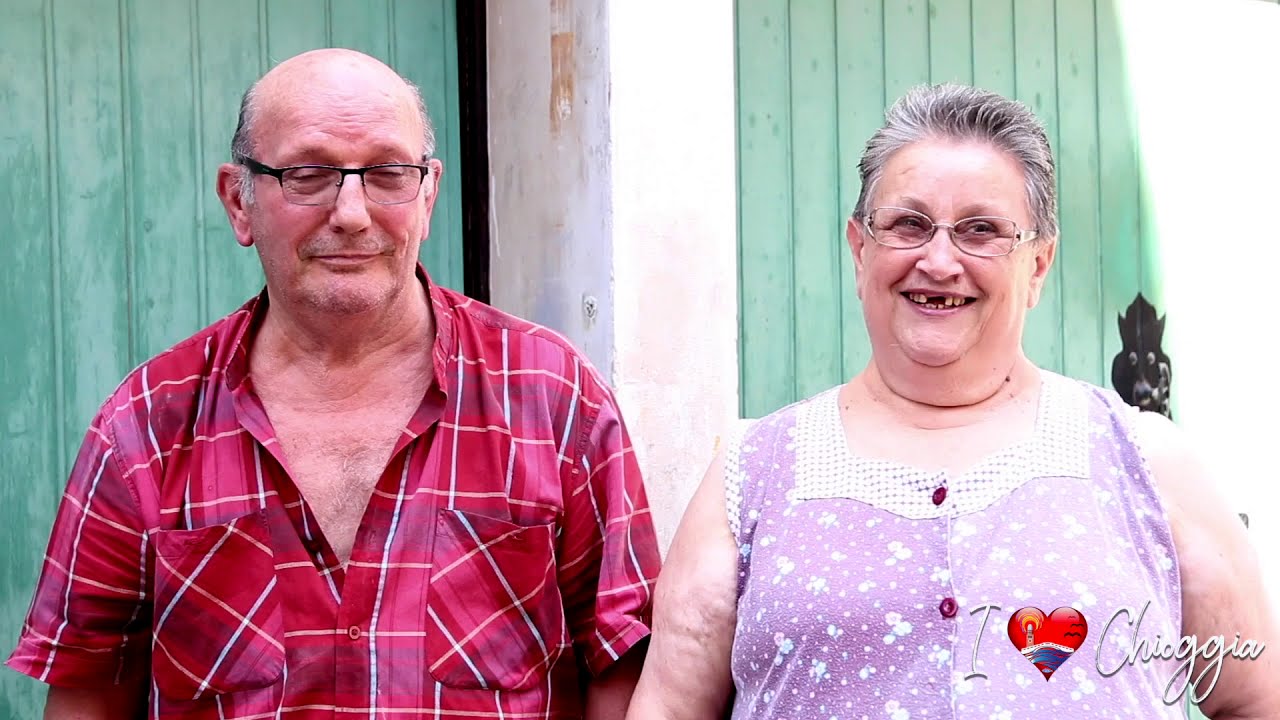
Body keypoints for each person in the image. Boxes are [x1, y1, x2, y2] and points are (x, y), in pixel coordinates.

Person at [7, 48, 660, 719]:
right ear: (239, 200)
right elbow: (90, 691)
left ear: (427, 193)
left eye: (386, 173)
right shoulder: (145, 428)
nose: (351, 213)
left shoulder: (551, 399)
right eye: (309, 174)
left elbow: (621, 666)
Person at [627, 84, 1279, 718]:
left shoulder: (1146, 465)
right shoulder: (753, 477)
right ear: (860, 249)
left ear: (1039, 266)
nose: (939, 261)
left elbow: (1256, 700)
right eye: (909, 224)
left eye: (981, 231)